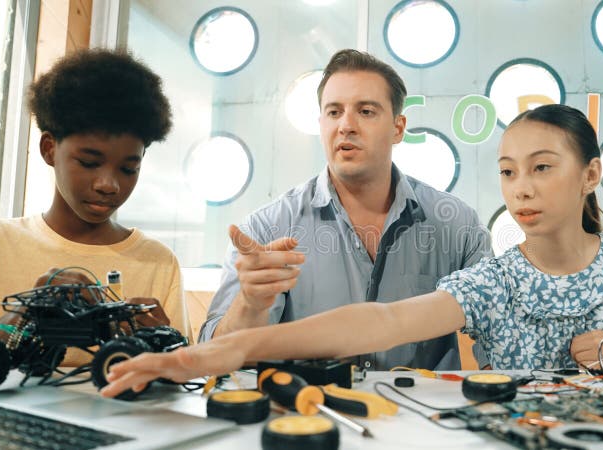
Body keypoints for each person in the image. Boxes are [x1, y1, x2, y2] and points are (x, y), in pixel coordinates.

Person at [101, 103, 603, 396]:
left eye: (543, 167)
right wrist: (236, 346)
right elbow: (385, 321)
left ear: (592, 175)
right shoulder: (492, 279)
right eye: (509, 171)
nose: (522, 189)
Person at [201, 49, 491, 370]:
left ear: (398, 128)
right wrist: (249, 304)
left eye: (366, 111)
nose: (346, 126)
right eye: (334, 112)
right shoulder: (268, 229)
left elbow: (500, 338)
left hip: (426, 416)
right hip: (311, 413)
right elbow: (214, 356)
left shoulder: (457, 226)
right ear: (321, 123)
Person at [0, 49, 190, 367]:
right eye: (89, 162)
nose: (109, 184)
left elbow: (179, 390)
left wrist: (166, 348)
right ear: (49, 149)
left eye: (128, 169)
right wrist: (25, 312)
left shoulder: (158, 263)